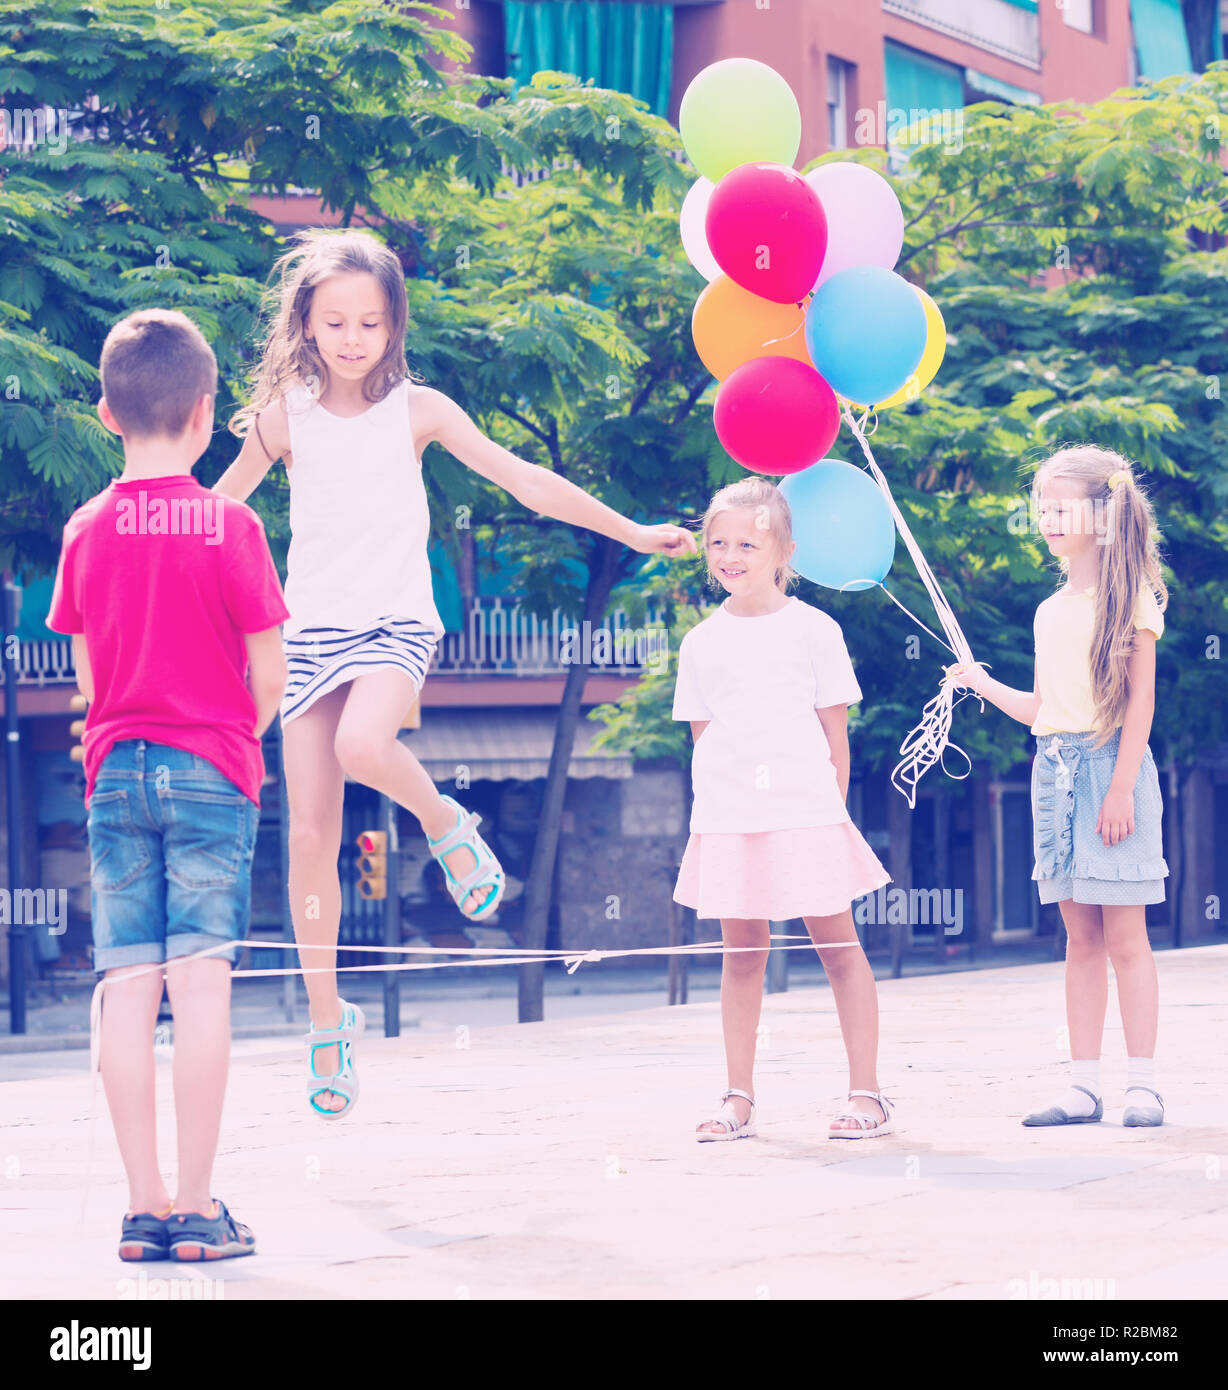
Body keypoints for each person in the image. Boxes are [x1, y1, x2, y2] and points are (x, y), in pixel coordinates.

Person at [213, 228, 696, 1118]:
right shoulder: (285, 420)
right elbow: (218, 511)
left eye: (370, 321)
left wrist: (629, 533)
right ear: (306, 326)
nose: (353, 338)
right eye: (334, 322)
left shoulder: (420, 410)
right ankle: (328, 1021)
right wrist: (144, 481)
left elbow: (526, 482)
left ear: (394, 325)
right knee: (310, 839)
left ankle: (446, 820)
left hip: (396, 622)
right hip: (309, 633)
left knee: (367, 744)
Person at [48, 309, 290, 1260]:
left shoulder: (83, 529)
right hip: (210, 771)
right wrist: (229, 739)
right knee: (200, 988)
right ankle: (197, 1209)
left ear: (108, 414)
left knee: (124, 985)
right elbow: (269, 678)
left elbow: (91, 687)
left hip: (115, 773)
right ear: (205, 413)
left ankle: (142, 1207)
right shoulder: (229, 525)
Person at [947, 446, 1169, 1127]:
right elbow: (1044, 710)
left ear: (1102, 515)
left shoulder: (1133, 597)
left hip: (1112, 768)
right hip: (1055, 770)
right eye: (1041, 509)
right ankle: (1082, 1086)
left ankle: (1144, 1085)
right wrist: (981, 684)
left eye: (1060, 508)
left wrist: (1122, 787)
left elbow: (1141, 704)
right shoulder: (1048, 610)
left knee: (1126, 937)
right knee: (1079, 939)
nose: (1046, 519)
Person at [672, 476, 894, 1141]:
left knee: (837, 946)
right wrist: (718, 814)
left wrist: (831, 812)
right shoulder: (699, 642)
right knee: (741, 955)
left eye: (748, 542)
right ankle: (737, 1098)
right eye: (718, 543)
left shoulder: (815, 630)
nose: (731, 555)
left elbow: (836, 738)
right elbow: (703, 741)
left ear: (785, 550)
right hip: (729, 817)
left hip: (806, 812)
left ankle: (868, 1095)